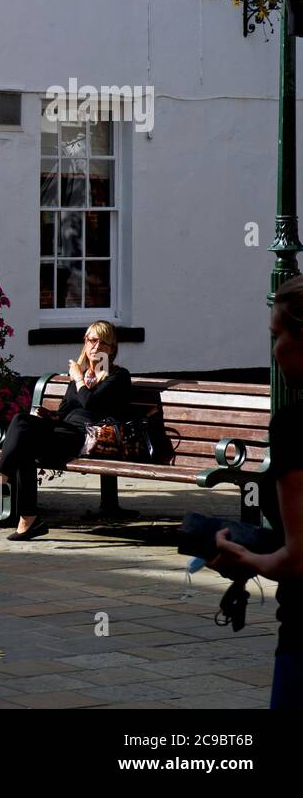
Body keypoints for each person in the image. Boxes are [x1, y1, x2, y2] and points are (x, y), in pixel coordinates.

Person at [210, 275, 303, 709]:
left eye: (276, 335)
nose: (274, 350)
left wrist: (246, 558)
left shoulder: (294, 426)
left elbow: (298, 558)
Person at [0, 321, 131, 540]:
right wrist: (47, 416)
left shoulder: (117, 376)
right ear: (85, 343)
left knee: (24, 439)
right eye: (92, 340)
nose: (96, 346)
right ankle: (21, 508)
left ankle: (21, 507)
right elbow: (64, 412)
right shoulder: (81, 376)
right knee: (21, 424)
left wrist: (78, 378)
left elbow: (90, 404)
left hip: (87, 435)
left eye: (104, 342)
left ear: (112, 349)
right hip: (65, 430)